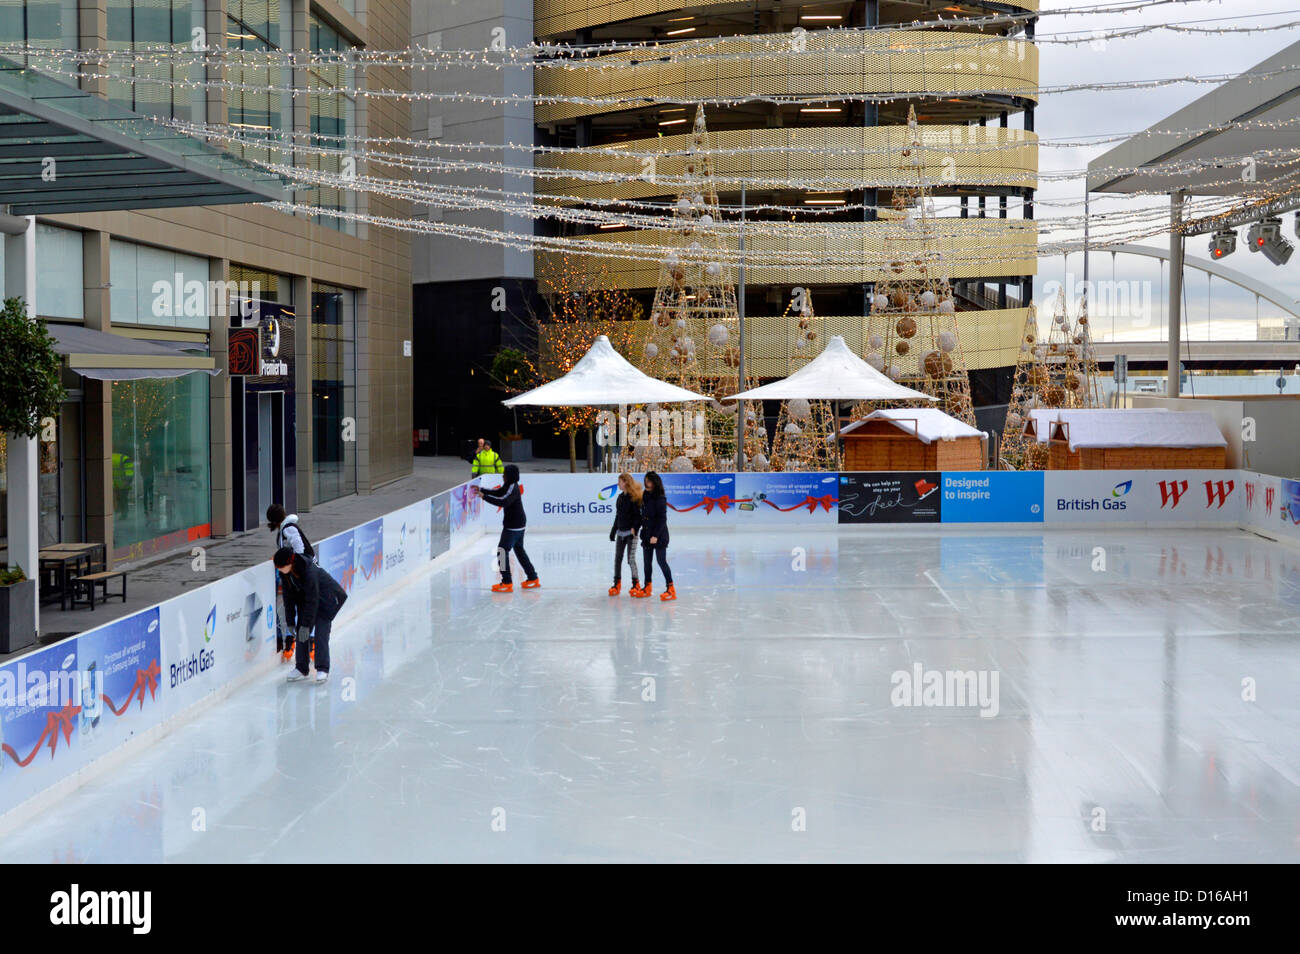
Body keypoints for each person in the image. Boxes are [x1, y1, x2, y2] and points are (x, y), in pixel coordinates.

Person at [275, 546, 347, 684]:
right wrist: (290, 622)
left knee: (320, 633)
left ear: (289, 563)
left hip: (327, 601)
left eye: (280, 566)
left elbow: (313, 600)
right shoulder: (285, 573)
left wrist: (306, 625)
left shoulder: (309, 571)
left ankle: (322, 668)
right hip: (308, 601)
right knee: (301, 632)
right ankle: (301, 668)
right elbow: (288, 599)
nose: (278, 569)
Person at [474, 463, 539, 593]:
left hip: (514, 525)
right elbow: (498, 492)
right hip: (517, 524)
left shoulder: (513, 488)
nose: (502, 476)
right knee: (519, 550)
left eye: (504, 474)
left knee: (502, 551)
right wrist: (482, 489)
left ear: (510, 476)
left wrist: (484, 497)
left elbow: (503, 501)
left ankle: (507, 582)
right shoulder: (509, 486)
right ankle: (533, 578)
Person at [267, 504, 317, 661]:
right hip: (296, 573)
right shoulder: (285, 528)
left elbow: (299, 548)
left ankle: (308, 641)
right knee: (292, 605)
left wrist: (294, 566)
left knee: (303, 606)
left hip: (301, 573)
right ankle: (295, 638)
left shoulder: (288, 528)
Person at [635, 470, 676, 601]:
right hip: (647, 534)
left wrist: (656, 536)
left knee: (661, 561)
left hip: (659, 535)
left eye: (649, 481)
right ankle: (647, 587)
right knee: (647, 563)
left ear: (655, 482)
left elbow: (662, 519)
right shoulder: (645, 495)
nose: (646, 483)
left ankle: (671, 588)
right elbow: (643, 515)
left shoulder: (660, 498)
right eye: (645, 480)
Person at [608, 472, 643, 596]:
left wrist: (635, 528)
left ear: (626, 482)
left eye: (620, 482)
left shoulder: (634, 498)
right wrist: (613, 530)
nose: (618, 484)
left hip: (631, 534)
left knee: (631, 559)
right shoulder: (620, 497)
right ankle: (616, 584)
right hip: (620, 532)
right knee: (617, 559)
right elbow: (618, 516)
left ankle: (636, 584)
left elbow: (639, 517)